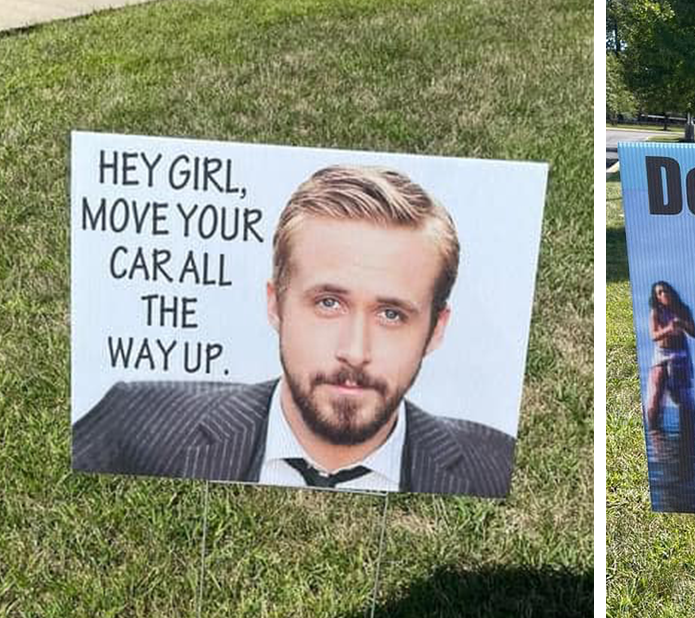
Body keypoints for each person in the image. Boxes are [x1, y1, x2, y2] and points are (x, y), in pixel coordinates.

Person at [73, 165, 515, 497]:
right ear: (275, 305)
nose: (355, 352)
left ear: (436, 330)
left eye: (391, 314)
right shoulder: (132, 423)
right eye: (328, 303)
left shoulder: (495, 467)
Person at [645, 281, 695, 431]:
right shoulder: (656, 312)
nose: (663, 295)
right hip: (661, 355)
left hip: (680, 356)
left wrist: (682, 324)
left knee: (683, 399)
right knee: (655, 396)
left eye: (665, 291)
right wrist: (669, 329)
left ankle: (688, 437)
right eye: (659, 293)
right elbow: (654, 335)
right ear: (656, 297)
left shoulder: (683, 310)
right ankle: (654, 431)